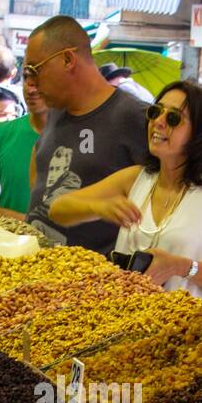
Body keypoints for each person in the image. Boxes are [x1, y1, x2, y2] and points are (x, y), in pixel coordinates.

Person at [48, 81, 202, 297]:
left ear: (198, 133)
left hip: (189, 326)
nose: (159, 122)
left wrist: (183, 267)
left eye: (173, 118)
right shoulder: (135, 178)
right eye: (155, 112)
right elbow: (58, 210)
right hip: (125, 321)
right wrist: (98, 208)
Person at [23, 16, 149, 254]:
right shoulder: (55, 111)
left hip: (93, 284)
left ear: (68, 59)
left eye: (34, 70)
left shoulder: (134, 117)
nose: (31, 83)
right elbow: (38, 171)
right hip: (36, 273)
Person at [0, 71, 47, 218]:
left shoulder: (87, 136)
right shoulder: (0, 134)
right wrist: (20, 220)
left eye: (42, 77)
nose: (31, 87)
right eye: (26, 76)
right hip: (9, 238)